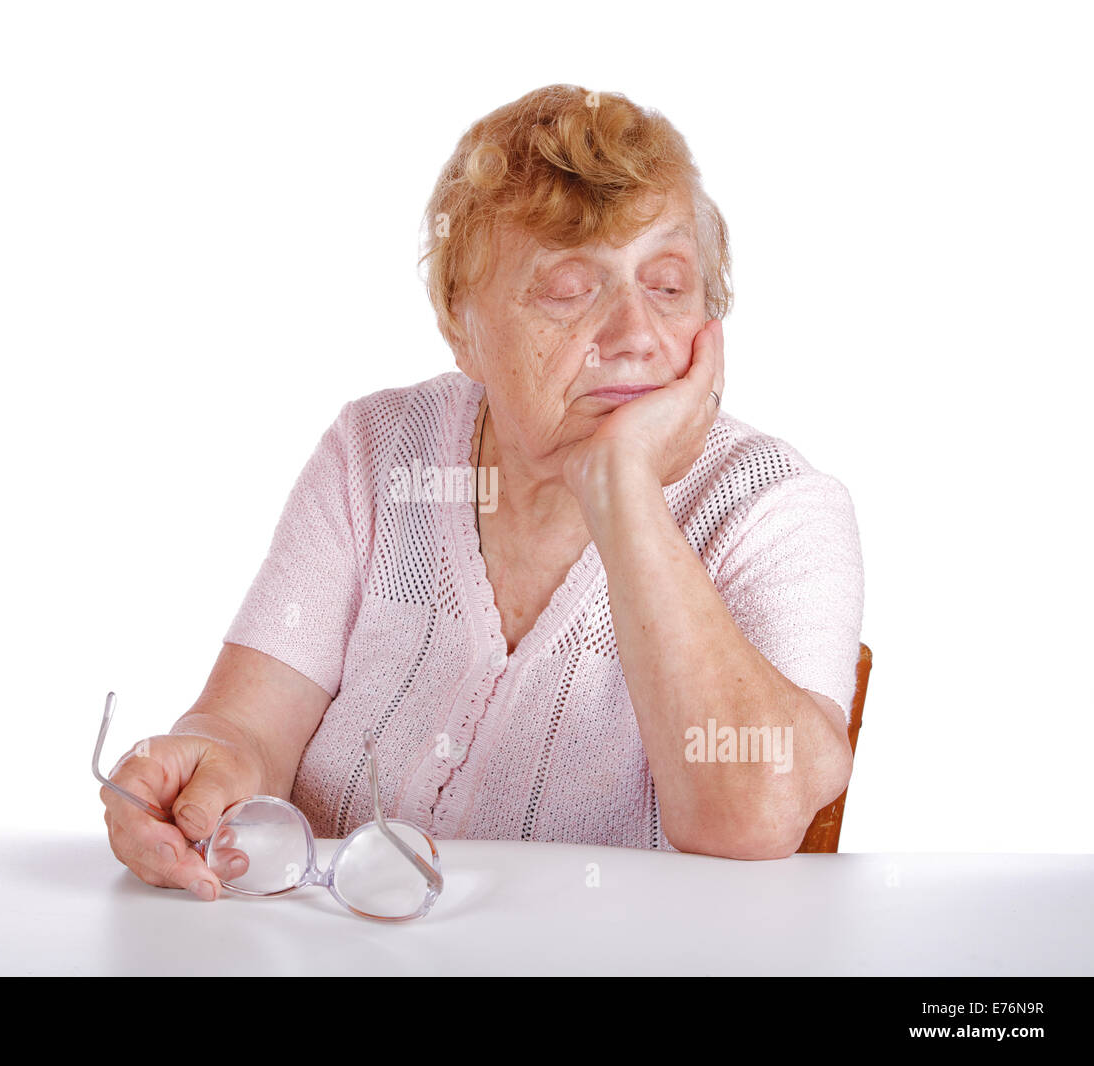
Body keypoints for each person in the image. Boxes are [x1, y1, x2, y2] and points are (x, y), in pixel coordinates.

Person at [100, 84, 864, 901]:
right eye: (571, 292)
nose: (637, 334)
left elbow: (750, 815)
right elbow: (248, 724)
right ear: (461, 326)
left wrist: (625, 491)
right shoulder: (378, 450)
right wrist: (208, 766)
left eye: (670, 287)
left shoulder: (778, 509)